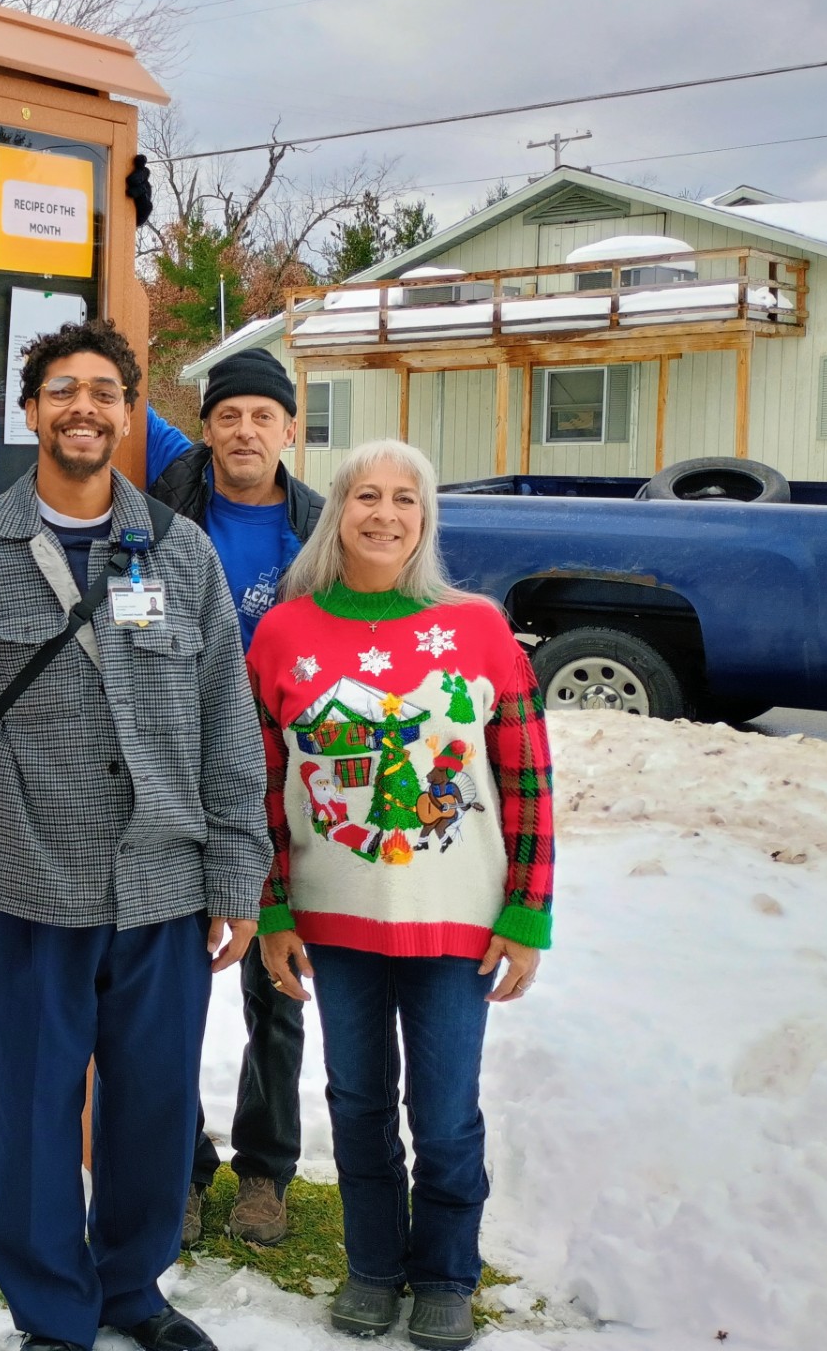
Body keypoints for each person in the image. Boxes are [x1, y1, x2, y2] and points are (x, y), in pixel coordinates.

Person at [0, 320, 269, 1351]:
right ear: (31, 412)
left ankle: (133, 1291)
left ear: (129, 414)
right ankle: (51, 1313)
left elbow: (226, 712)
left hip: (167, 879)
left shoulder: (181, 553)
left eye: (104, 392)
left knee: (154, 1107)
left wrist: (239, 869)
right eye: (62, 390)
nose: (83, 407)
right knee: (35, 1114)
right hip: (37, 879)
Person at [249, 439, 553, 1350]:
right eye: (366, 497)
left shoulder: (478, 629)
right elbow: (263, 785)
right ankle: (374, 1266)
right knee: (356, 1101)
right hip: (332, 919)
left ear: (426, 521)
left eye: (406, 500)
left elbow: (528, 779)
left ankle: (446, 1273)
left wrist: (527, 911)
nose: (385, 515)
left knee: (447, 1111)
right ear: (336, 511)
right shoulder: (283, 634)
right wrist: (271, 910)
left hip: (457, 920)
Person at [145, 346, 324, 1249]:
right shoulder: (165, 501)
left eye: (264, 415)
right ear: (206, 426)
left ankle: (267, 1169)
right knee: (169, 989)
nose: (245, 430)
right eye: (229, 415)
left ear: (291, 429)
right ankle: (177, 1166)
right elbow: (93, 383)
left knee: (277, 987)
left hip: (283, 783)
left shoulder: (320, 531)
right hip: (174, 776)